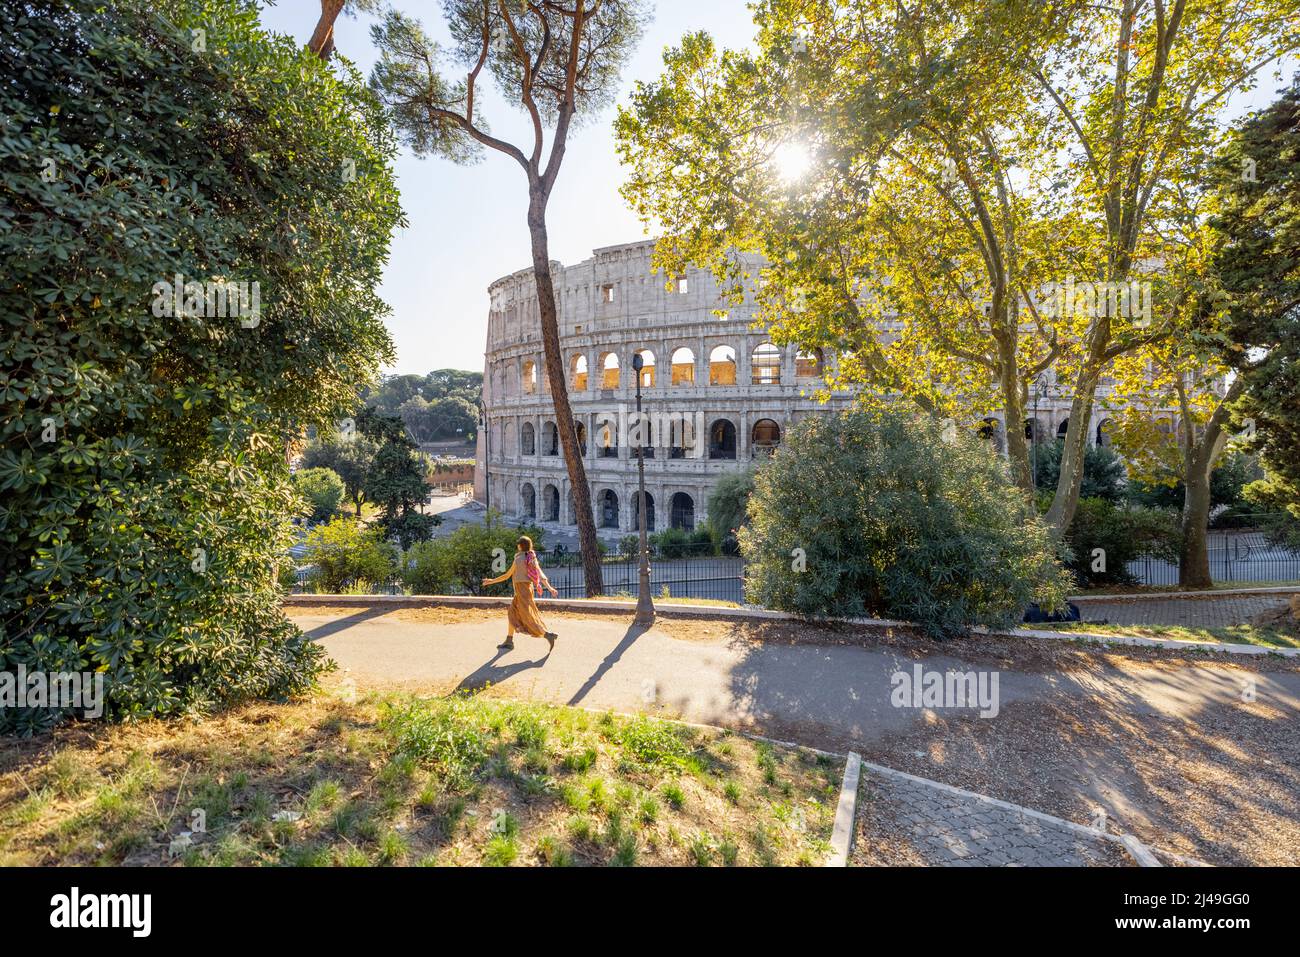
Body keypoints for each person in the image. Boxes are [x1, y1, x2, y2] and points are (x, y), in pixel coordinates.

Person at [481, 536, 559, 652]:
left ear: (519, 546)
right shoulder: (531, 557)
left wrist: (491, 581)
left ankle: (547, 634)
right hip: (527, 589)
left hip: (522, 590)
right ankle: (509, 640)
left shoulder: (518, 559)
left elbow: (507, 575)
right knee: (512, 612)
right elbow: (540, 574)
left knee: (528, 617)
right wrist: (550, 588)